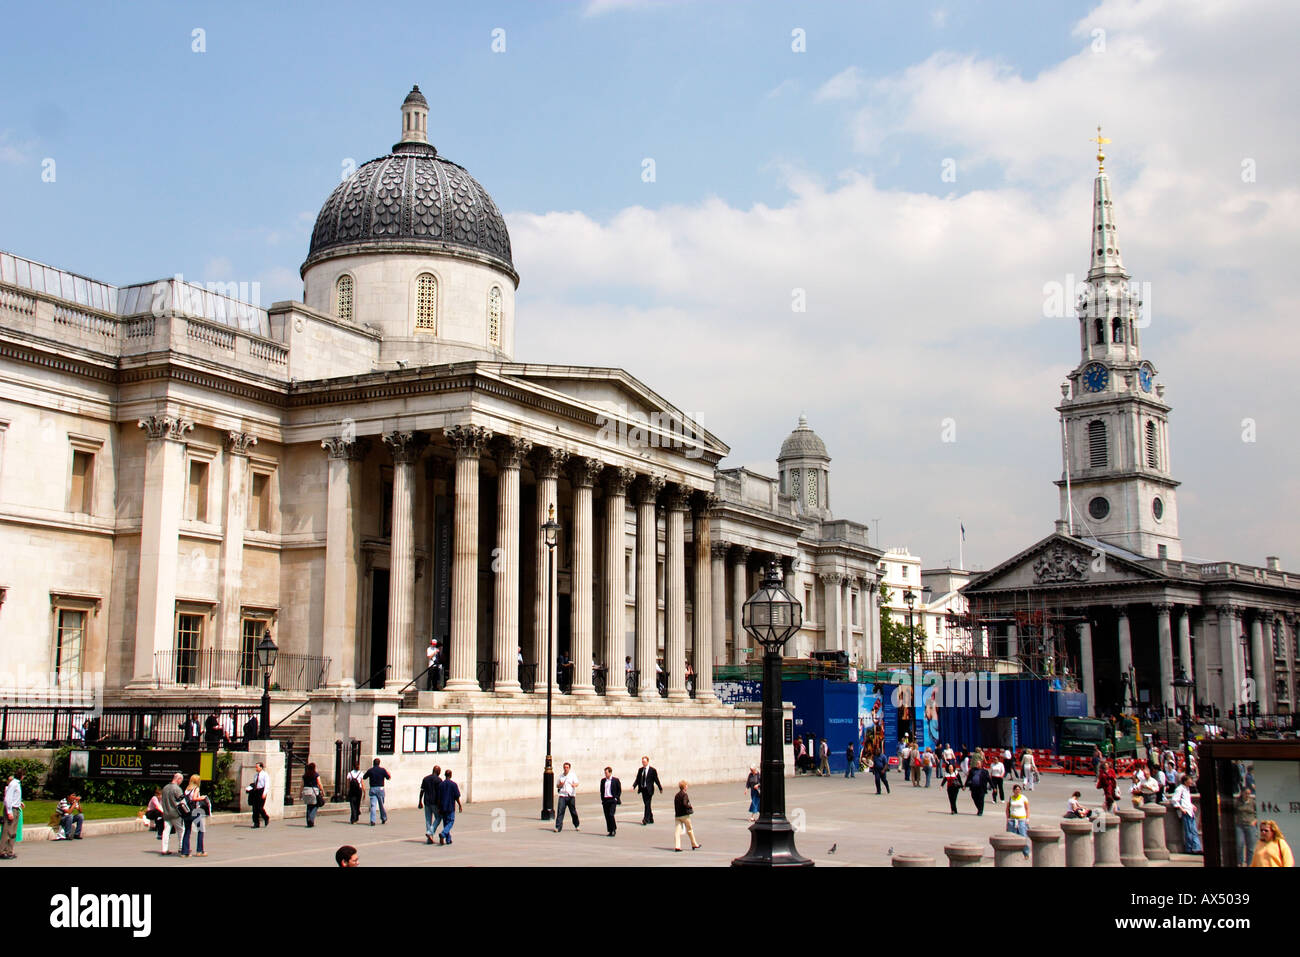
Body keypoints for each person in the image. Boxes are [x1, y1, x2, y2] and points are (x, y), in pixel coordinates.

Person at [181, 774, 210, 857]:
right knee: (201, 830)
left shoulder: (187, 789)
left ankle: (184, 852)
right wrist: (202, 798)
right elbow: (194, 798)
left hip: (187, 812)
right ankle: (199, 851)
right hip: (195, 811)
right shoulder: (196, 788)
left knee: (187, 831)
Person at [1172, 774, 1201, 854]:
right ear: (1185, 781)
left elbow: (1187, 800)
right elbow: (1174, 800)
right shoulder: (1179, 789)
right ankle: (1190, 848)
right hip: (1186, 811)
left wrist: (1192, 805)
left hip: (1190, 811)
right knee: (1189, 831)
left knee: (1194, 830)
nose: (1190, 783)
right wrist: (1181, 809)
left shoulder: (1187, 789)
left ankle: (1196, 847)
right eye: (1189, 782)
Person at [160, 772, 186, 855]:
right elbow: (182, 801)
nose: (181, 782)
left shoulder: (165, 788)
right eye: (181, 780)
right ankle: (181, 847)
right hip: (176, 813)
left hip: (166, 813)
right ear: (178, 779)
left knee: (166, 831)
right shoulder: (177, 789)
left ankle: (164, 849)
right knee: (181, 830)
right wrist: (186, 811)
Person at [418, 765, 443, 844]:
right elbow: (439, 793)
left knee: (428, 820)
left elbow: (422, 791)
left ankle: (429, 839)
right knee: (438, 818)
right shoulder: (439, 780)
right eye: (440, 771)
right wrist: (440, 804)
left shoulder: (425, 779)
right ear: (438, 771)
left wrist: (420, 801)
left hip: (426, 801)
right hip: (435, 802)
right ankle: (430, 832)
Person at [633, 755, 661, 824]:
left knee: (647, 804)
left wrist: (660, 787)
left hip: (649, 790)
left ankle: (645, 819)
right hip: (643, 789)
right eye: (642, 762)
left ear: (648, 762)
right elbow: (638, 779)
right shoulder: (640, 770)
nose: (643, 763)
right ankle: (651, 818)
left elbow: (656, 780)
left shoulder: (652, 770)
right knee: (647, 804)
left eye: (644, 762)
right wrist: (634, 786)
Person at [1234, 786, 1258, 867]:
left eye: (1249, 794)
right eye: (1246, 793)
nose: (1247, 795)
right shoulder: (1237, 802)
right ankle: (1239, 862)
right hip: (1239, 825)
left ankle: (1249, 863)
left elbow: (1257, 813)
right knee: (1239, 844)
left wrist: (1254, 821)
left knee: (1251, 846)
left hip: (1250, 825)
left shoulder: (1253, 802)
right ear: (1242, 793)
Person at [0, 770, 21, 860]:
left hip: (16, 808)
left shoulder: (17, 783)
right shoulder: (13, 784)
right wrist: (9, 812)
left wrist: (20, 803)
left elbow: (14, 797)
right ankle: (2, 851)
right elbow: (8, 799)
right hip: (11, 809)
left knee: (13, 832)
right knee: (7, 830)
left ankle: (9, 850)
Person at [672, 780, 700, 851]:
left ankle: (677, 846)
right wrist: (689, 807)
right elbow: (685, 803)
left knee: (677, 832)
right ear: (684, 787)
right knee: (690, 830)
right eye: (686, 785)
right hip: (684, 815)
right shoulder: (684, 794)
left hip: (678, 816)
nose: (687, 787)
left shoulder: (677, 795)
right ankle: (694, 844)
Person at [1006, 783, 1031, 858]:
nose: (1018, 791)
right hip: (1012, 819)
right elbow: (1007, 808)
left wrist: (1027, 818)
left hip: (1021, 819)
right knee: (1012, 836)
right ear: (1013, 790)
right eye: (1016, 789)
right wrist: (1007, 818)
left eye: (1019, 789)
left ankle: (1026, 853)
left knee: (1023, 835)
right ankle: (1012, 852)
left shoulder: (1023, 798)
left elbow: (1027, 808)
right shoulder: (1011, 798)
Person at [438, 769, 462, 845]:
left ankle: (448, 839)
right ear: (450, 775)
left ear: (445, 775)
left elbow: (438, 797)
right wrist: (460, 805)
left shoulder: (441, 785)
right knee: (451, 821)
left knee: (445, 823)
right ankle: (443, 833)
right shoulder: (453, 784)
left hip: (443, 807)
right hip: (450, 806)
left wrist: (439, 807)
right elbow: (457, 796)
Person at [363, 758, 390, 826]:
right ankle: (383, 818)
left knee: (373, 805)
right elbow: (388, 777)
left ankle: (372, 820)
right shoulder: (382, 770)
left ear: (373, 763)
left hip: (373, 788)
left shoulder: (370, 770)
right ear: (379, 763)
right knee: (381, 805)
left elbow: (364, 777)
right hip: (380, 788)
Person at [555, 761, 579, 832]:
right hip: (562, 795)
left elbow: (577, 783)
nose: (566, 769)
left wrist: (574, 785)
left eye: (567, 767)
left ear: (569, 768)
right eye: (565, 767)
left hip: (571, 796)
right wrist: (560, 785)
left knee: (573, 811)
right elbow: (557, 785)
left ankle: (576, 824)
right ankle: (558, 827)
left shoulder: (572, 775)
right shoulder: (561, 776)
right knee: (560, 811)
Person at [599, 767, 622, 836]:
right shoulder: (603, 781)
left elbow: (619, 790)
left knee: (611, 814)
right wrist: (602, 799)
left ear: (610, 772)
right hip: (605, 800)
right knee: (607, 816)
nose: (605, 774)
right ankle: (610, 830)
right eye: (605, 773)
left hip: (612, 799)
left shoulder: (615, 780)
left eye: (606, 773)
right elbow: (601, 790)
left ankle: (614, 829)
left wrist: (616, 798)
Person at [301, 762, 325, 828]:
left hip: (306, 791)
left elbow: (302, 785)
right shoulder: (316, 775)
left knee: (308, 806)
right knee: (315, 805)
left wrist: (300, 793)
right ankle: (311, 819)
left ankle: (308, 820)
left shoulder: (305, 775)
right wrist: (322, 791)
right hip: (314, 791)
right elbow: (319, 784)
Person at [248, 762, 270, 828]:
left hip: (261, 791)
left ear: (261, 767)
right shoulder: (255, 775)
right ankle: (256, 823)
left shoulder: (265, 775)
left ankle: (266, 817)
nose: (256, 768)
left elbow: (267, 784)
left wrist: (265, 793)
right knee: (254, 808)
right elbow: (254, 784)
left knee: (260, 807)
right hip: (256, 791)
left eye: (257, 767)